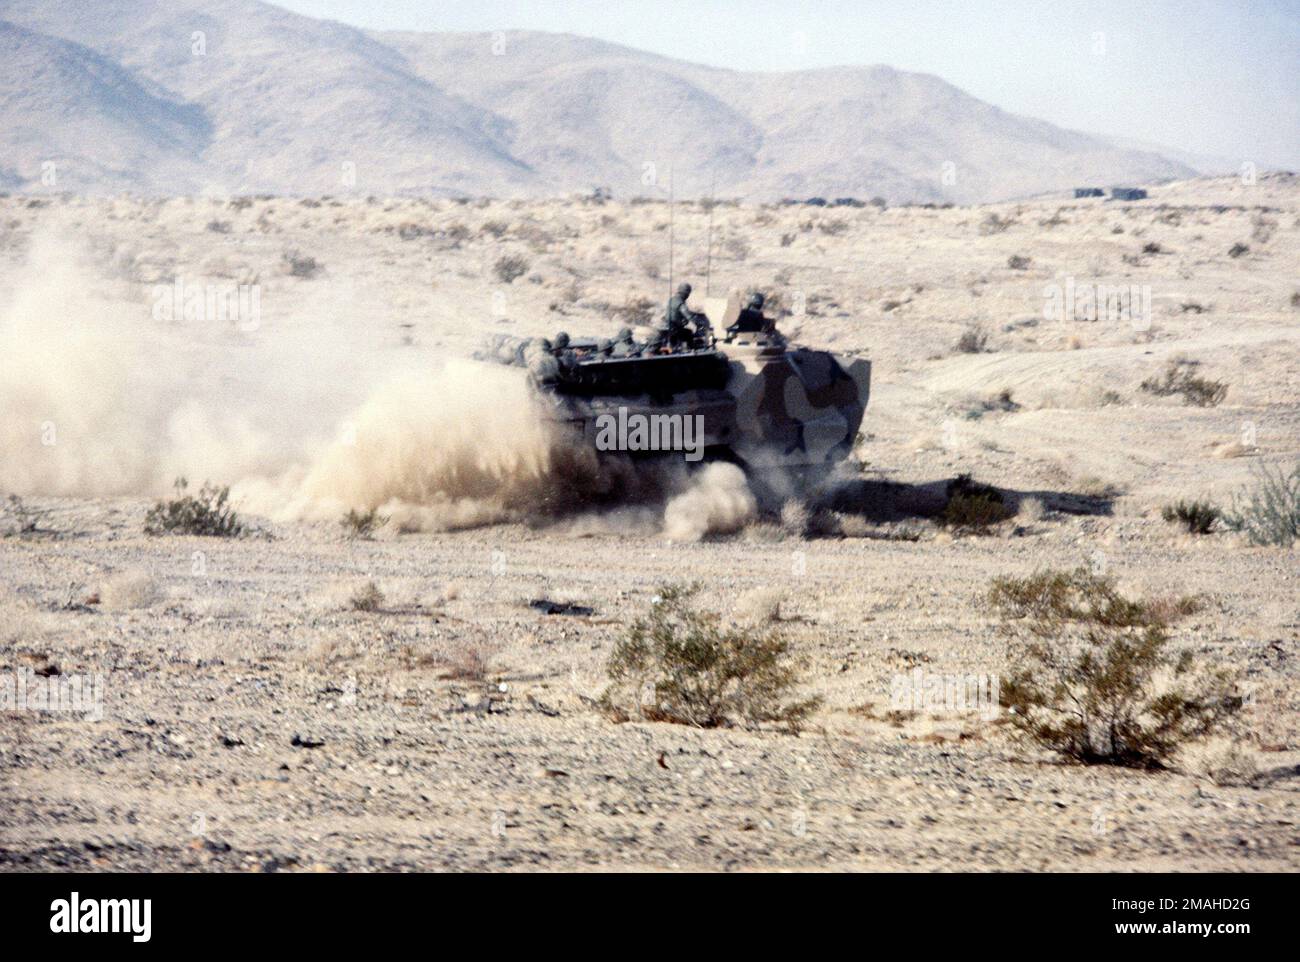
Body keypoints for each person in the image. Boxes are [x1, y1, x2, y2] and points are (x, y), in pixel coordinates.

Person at [651, 283, 711, 352]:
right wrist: (698, 323)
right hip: (672, 328)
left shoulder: (672, 299)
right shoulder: (681, 303)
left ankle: (674, 348)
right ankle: (693, 349)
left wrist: (682, 321)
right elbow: (688, 316)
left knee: (680, 333)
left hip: (664, 325)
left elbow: (674, 313)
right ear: (685, 293)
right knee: (688, 333)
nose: (688, 296)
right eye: (687, 294)